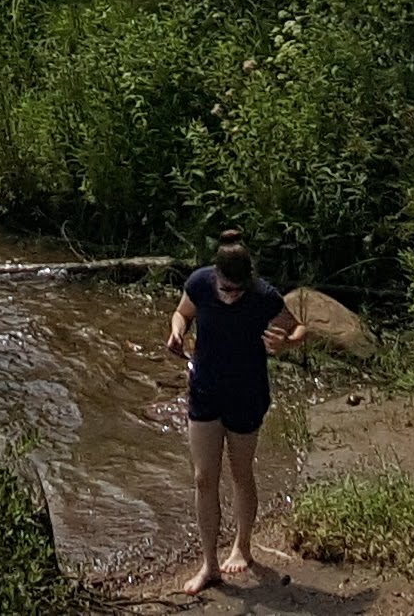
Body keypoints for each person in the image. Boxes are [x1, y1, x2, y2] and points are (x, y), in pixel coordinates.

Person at [163, 232, 298, 593]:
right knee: (203, 478)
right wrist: (177, 332)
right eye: (225, 288)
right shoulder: (200, 283)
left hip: (247, 394)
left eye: (236, 290)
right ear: (216, 276)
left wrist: (286, 342)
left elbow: (298, 328)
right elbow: (182, 312)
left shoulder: (263, 296)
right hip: (205, 389)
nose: (229, 295)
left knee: (240, 473)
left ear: (247, 281)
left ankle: (243, 546)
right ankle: (209, 565)